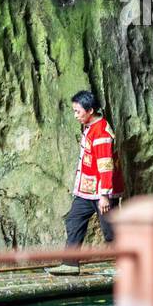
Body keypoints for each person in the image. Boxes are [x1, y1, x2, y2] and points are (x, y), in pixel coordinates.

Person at [48, 90, 125, 276]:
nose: (75, 115)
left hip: (101, 193)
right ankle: (70, 264)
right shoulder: (90, 126)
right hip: (87, 191)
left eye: (78, 111)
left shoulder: (101, 132)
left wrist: (105, 195)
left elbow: (106, 166)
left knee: (111, 232)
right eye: (74, 111)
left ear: (90, 110)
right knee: (74, 220)